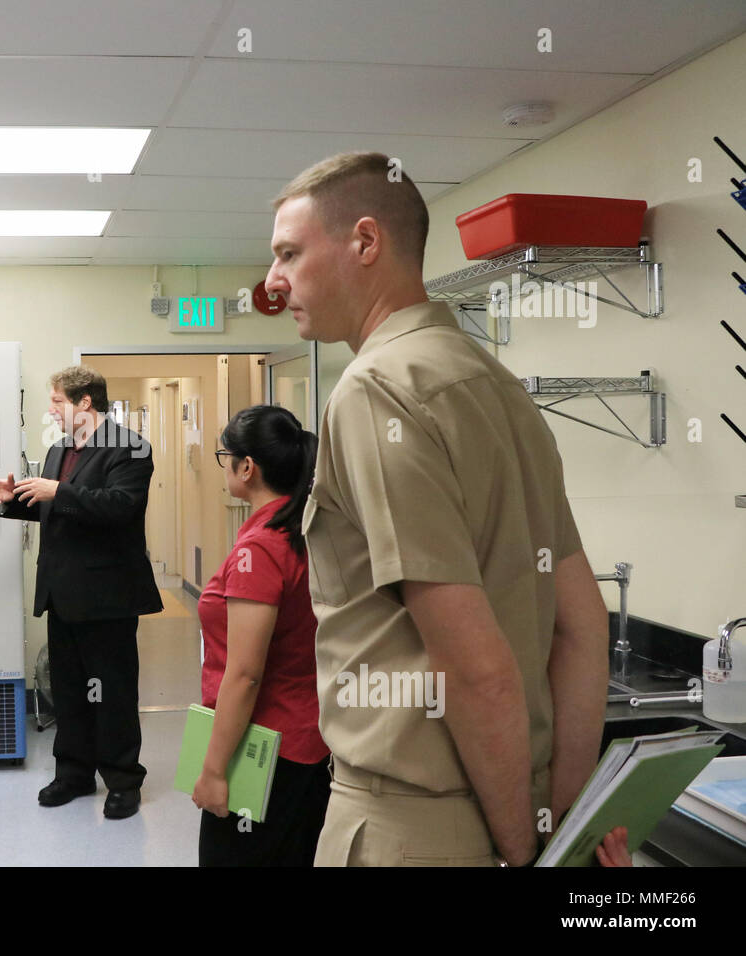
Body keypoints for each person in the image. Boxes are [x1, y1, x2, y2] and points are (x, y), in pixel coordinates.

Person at [263, 151, 611, 866]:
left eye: (290, 254)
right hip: (521, 806)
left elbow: (474, 663)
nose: (273, 282)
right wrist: (557, 824)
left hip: (411, 830)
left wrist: (520, 853)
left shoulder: (373, 391)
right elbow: (583, 626)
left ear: (364, 242)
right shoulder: (500, 386)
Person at [0, 366, 162, 819]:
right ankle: (74, 775)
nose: (51, 409)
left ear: (86, 402)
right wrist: (13, 501)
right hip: (62, 593)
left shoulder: (130, 448)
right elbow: (55, 512)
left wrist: (58, 490)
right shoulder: (58, 449)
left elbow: (121, 508)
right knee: (69, 690)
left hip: (108, 595)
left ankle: (123, 781)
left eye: (58, 401)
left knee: (113, 691)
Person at [192, 405, 330, 866]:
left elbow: (246, 673)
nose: (223, 465)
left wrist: (213, 770)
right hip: (309, 738)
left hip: (263, 750)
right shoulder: (304, 532)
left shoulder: (261, 549)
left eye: (223, 456)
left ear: (246, 467)